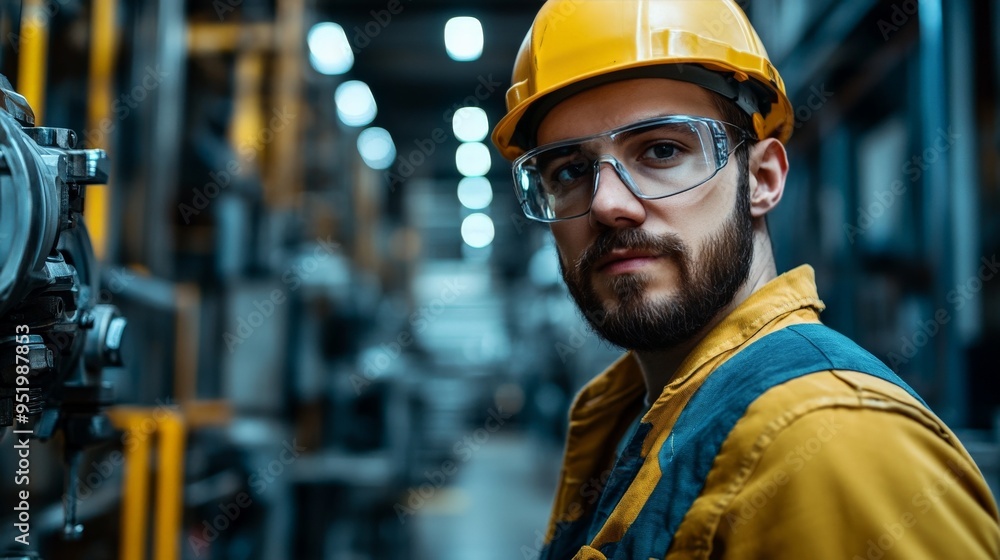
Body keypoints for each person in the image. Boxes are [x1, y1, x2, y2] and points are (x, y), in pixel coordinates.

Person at [490, 1, 1000, 558]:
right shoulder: (626, 418)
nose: (608, 204)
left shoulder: (831, 441)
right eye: (568, 170)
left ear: (761, 178)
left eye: (662, 150)